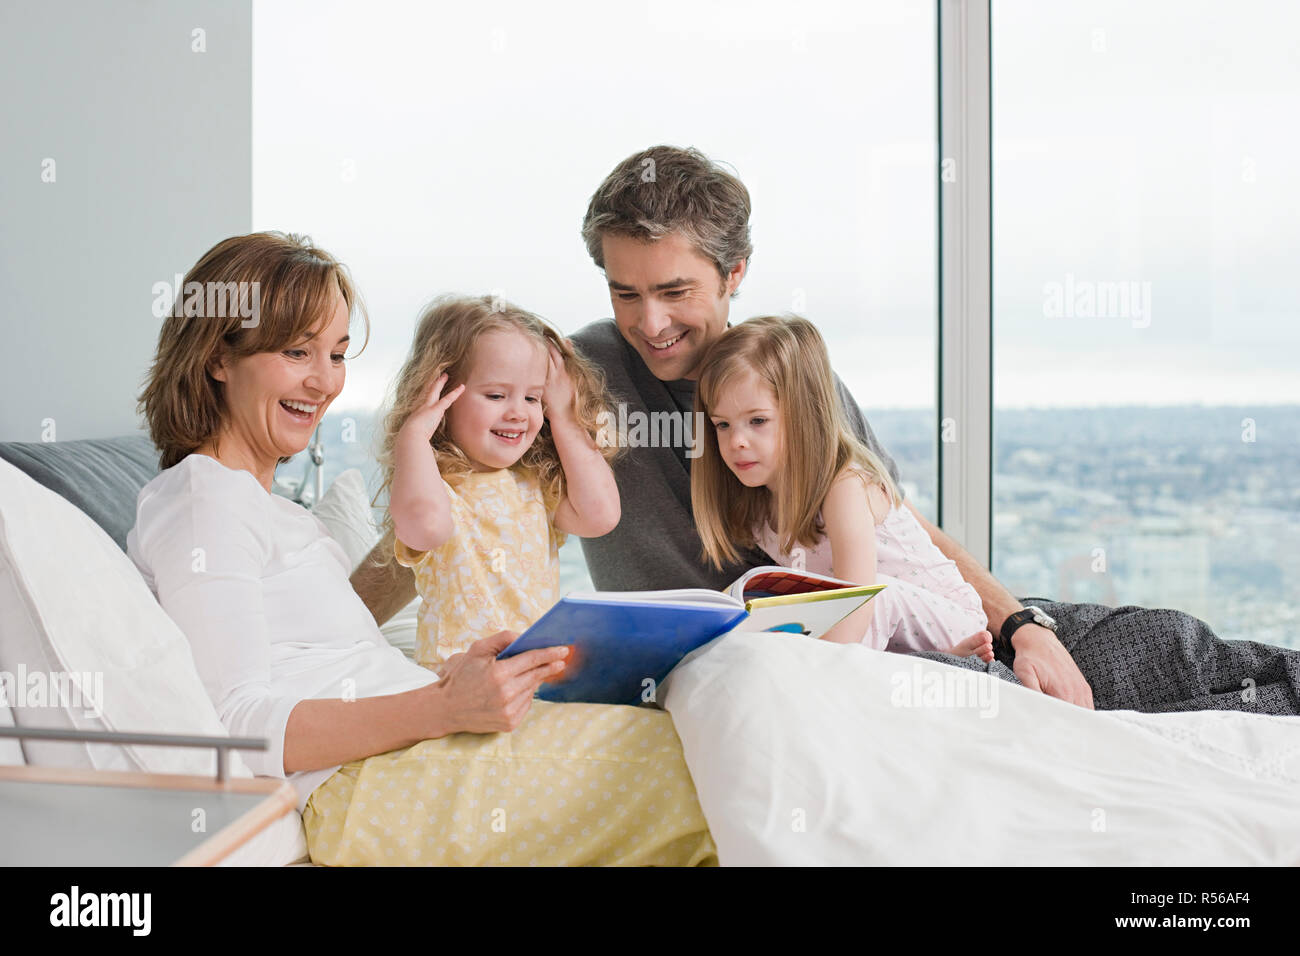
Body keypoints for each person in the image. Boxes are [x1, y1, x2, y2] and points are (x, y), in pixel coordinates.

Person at [127, 232, 716, 866]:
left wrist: (454, 666)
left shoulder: (274, 513)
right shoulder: (204, 502)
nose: (325, 381)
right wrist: (441, 706)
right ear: (218, 357)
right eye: (297, 352)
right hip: (368, 785)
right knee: (707, 772)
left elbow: (333, 645)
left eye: (337, 354)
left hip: (414, 747)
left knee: (709, 726)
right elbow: (240, 725)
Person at [568, 144, 1087, 703]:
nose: (650, 322)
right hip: (717, 670)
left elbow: (900, 532)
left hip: (855, 636)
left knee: (1171, 644)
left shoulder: (794, 384)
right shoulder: (581, 369)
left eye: (675, 292)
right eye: (626, 293)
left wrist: (1020, 624)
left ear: (733, 272)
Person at [693, 315, 994, 661]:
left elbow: (858, 602)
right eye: (723, 425)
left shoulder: (843, 485)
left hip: (951, 620)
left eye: (757, 421)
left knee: (871, 595)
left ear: (803, 414)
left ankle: (939, 659)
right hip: (873, 628)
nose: (737, 442)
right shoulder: (758, 507)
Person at [376, 294, 619, 668]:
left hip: (532, 677)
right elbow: (425, 528)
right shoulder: (438, 488)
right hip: (459, 683)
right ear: (440, 395)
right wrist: (413, 436)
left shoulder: (535, 485)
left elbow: (600, 515)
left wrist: (565, 413)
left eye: (533, 398)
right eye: (495, 395)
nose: (518, 413)